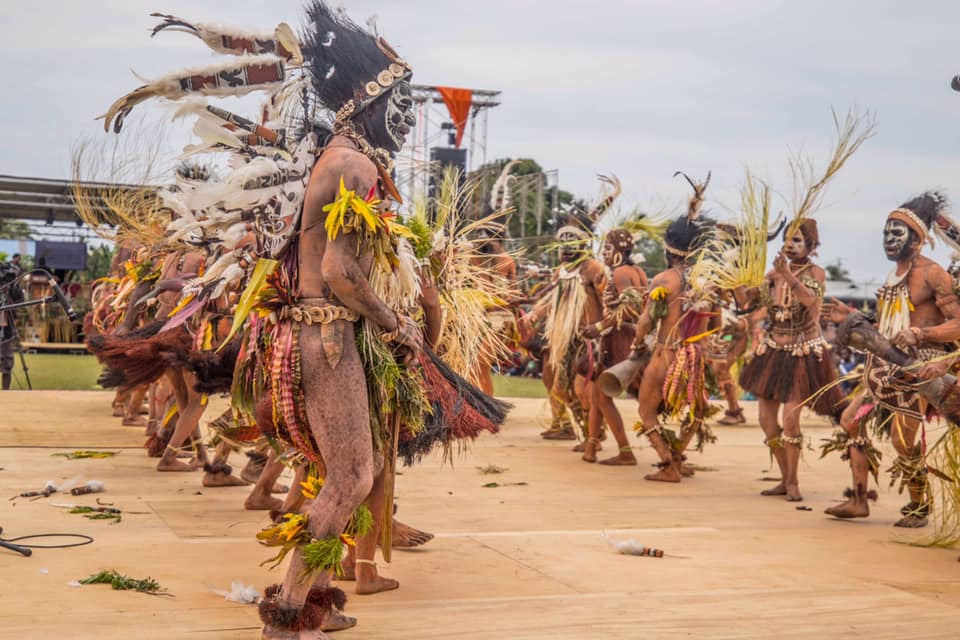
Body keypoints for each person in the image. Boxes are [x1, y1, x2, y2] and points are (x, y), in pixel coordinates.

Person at [823, 192, 960, 527]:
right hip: (883, 367)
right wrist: (852, 315)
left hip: (918, 369)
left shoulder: (933, 274)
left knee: (903, 440)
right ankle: (858, 500)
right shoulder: (891, 277)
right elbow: (887, 328)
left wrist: (922, 335)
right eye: (885, 233)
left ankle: (919, 504)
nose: (888, 240)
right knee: (851, 420)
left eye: (896, 234)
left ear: (917, 239)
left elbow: (957, 323)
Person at [738, 219, 843, 501]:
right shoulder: (773, 274)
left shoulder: (816, 273)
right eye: (787, 240)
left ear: (812, 246)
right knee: (765, 420)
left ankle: (794, 482)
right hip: (773, 350)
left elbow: (810, 301)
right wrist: (737, 277)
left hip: (802, 353)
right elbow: (749, 303)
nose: (790, 245)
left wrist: (788, 275)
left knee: (791, 418)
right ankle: (785, 477)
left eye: (797, 240)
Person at [581, 227, 648, 464]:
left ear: (619, 251)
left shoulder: (620, 273)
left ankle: (625, 452)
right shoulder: (637, 270)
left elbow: (630, 309)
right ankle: (591, 446)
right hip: (624, 336)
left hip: (620, 338)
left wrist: (598, 327)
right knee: (599, 394)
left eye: (608, 249)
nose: (604, 254)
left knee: (601, 395)